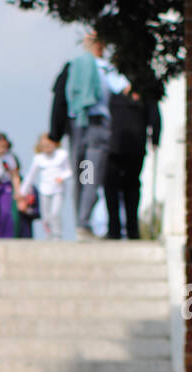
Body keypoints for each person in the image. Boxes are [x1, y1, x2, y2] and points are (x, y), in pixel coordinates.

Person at [66, 30, 130, 239]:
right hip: (95, 128)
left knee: (81, 175)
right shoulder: (103, 69)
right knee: (90, 176)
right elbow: (124, 87)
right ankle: (83, 223)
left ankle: (81, 221)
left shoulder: (76, 66)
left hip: (78, 125)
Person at [105, 89, 161, 239]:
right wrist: (155, 139)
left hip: (119, 147)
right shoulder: (143, 88)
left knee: (116, 187)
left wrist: (155, 138)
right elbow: (155, 116)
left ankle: (117, 230)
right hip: (128, 146)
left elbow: (154, 116)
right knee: (129, 187)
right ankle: (129, 229)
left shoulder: (112, 89)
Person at [20, 133, 70, 240]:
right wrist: (22, 192)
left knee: (55, 213)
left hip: (58, 189)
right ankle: (49, 234)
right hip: (44, 189)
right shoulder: (38, 158)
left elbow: (69, 171)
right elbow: (30, 176)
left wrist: (62, 177)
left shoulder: (62, 155)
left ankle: (57, 235)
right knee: (45, 216)